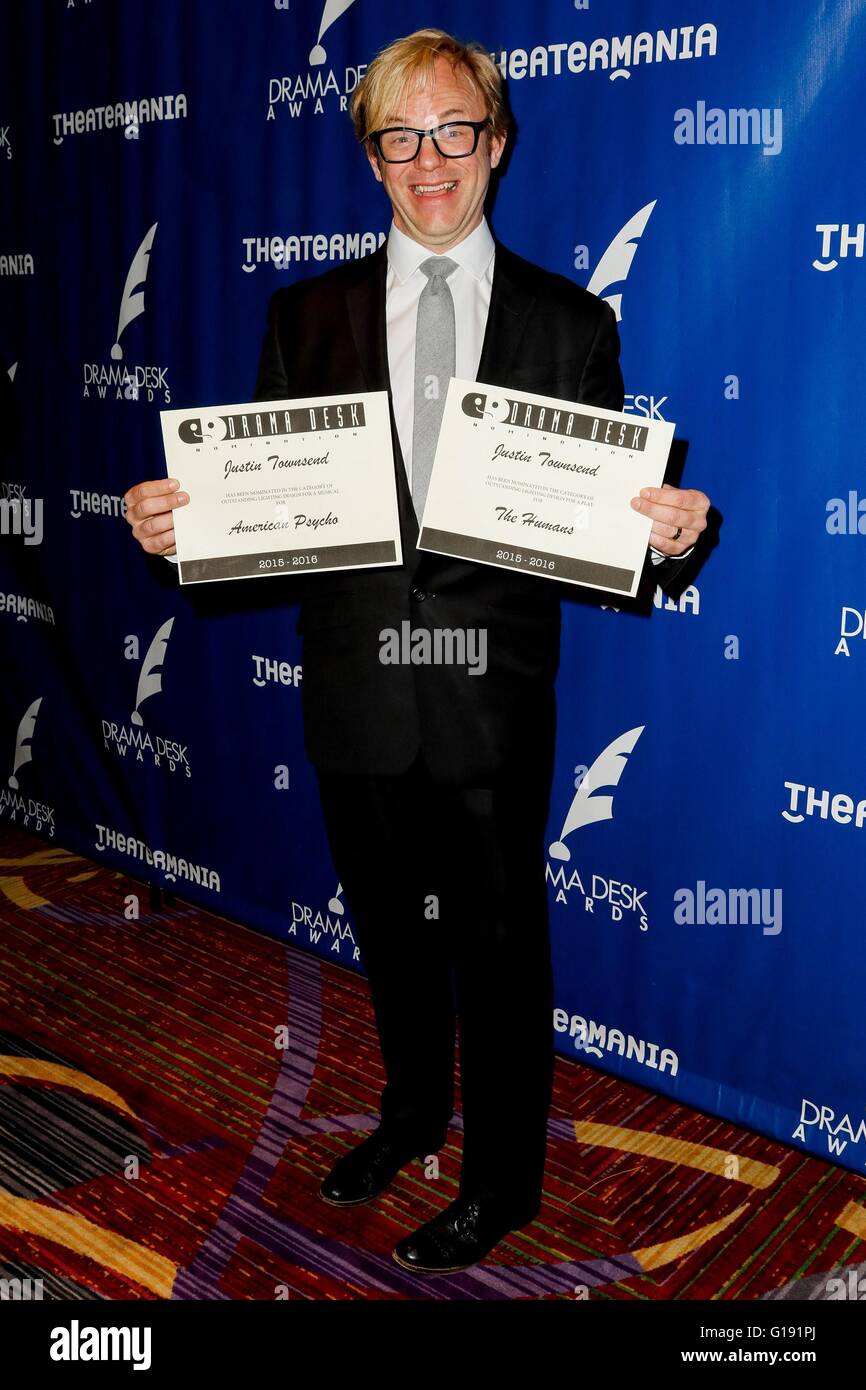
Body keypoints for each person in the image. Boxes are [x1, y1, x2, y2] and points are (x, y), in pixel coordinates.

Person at [124, 28, 710, 1274]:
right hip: (353, 697)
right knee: (391, 931)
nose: (428, 159)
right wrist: (176, 525)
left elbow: (599, 521)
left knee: (499, 951)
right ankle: (405, 1118)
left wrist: (664, 535)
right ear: (372, 158)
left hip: (492, 709)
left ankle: (501, 1181)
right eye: (401, 136)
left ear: (494, 147)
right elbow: (259, 517)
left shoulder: (571, 321)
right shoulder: (305, 312)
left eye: (454, 131)